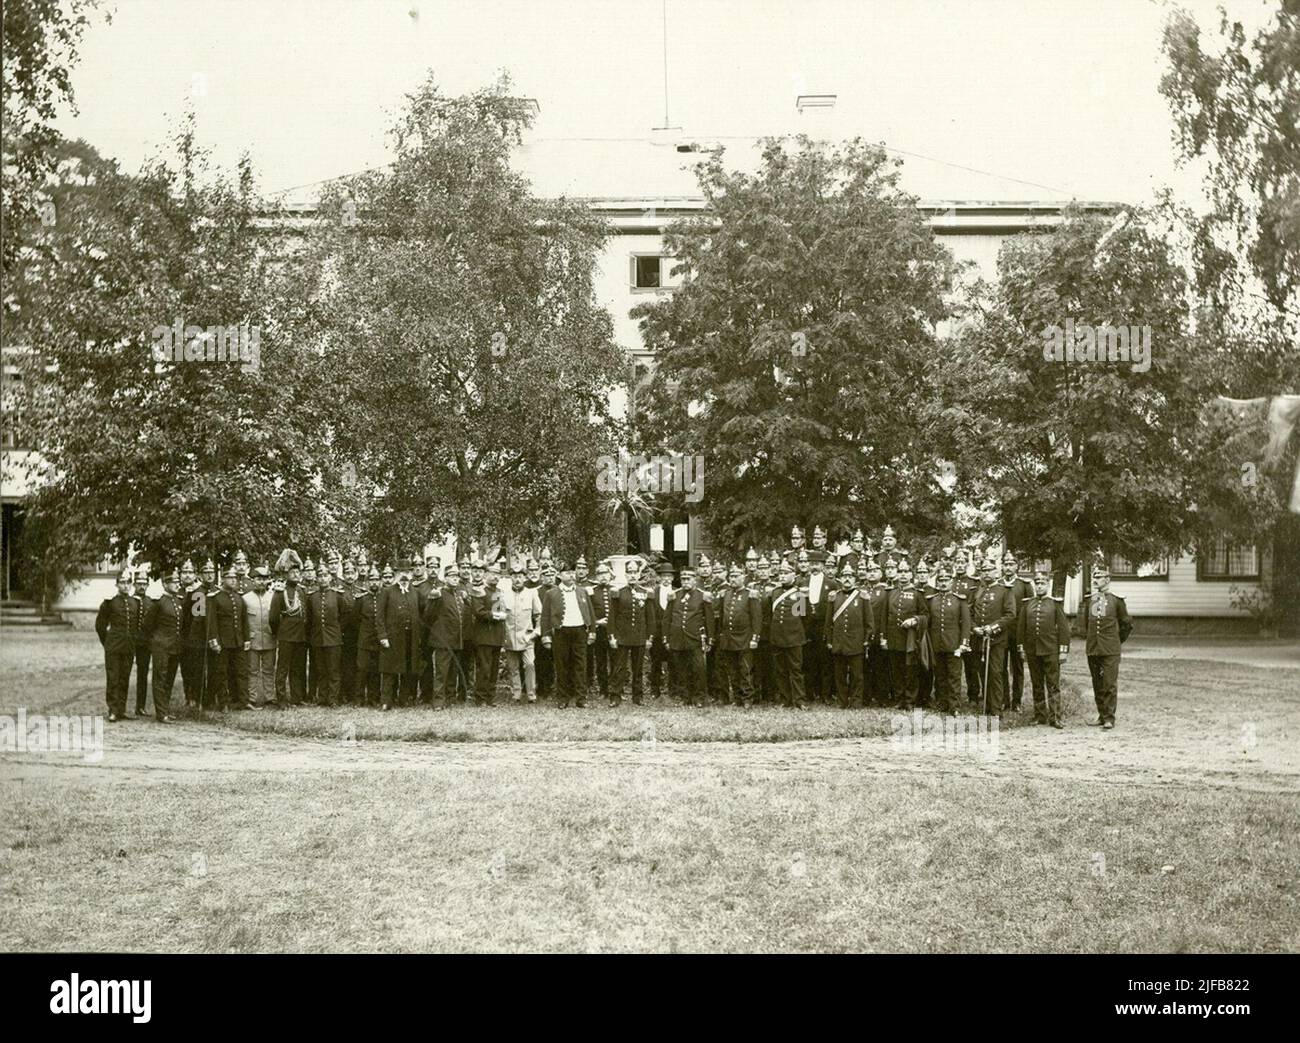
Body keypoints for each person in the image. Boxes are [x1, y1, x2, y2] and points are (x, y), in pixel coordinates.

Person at [1016, 570, 1070, 728]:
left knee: (1053, 684)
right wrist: (1022, 649)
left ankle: (1055, 717)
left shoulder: (1055, 604)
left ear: (1048, 584)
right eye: (1037, 583)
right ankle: (1040, 716)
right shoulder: (1027, 604)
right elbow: (1021, 629)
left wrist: (1063, 651)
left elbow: (1063, 629)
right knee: (1037, 684)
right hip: (1033, 651)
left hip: (1051, 650)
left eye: (1042, 583)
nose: (1039, 586)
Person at [1082, 563, 1131, 730]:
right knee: (1097, 683)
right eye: (1094, 577)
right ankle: (1101, 715)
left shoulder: (1116, 600)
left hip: (1110, 649)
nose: (1095, 580)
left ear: (1107, 579)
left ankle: (1109, 718)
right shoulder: (1090, 600)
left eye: (1099, 577)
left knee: (1109, 683)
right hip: (1093, 648)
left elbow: (1126, 624)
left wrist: (1116, 641)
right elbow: (1086, 625)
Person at [540, 564, 596, 708]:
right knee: (562, 665)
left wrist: (592, 631)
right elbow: (545, 616)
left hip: (580, 631)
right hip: (561, 632)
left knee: (580, 665)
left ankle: (581, 697)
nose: (571, 575)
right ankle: (563, 698)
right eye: (567, 573)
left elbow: (591, 613)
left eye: (573, 572)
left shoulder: (582, 592)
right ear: (559, 575)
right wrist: (546, 636)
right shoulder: (551, 593)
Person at [970, 557, 1017, 718]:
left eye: (990, 570)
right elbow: (970, 613)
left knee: (996, 672)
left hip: (996, 639)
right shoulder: (977, 591)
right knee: (982, 672)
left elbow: (1010, 615)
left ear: (996, 572)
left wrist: (993, 627)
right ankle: (987, 706)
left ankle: (997, 709)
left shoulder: (1005, 591)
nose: (987, 573)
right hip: (980, 638)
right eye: (984, 570)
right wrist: (974, 628)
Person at [377, 558, 424, 710]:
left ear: (411, 573)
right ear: (396, 573)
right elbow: (379, 617)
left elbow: (424, 613)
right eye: (401, 572)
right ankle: (386, 701)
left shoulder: (415, 592)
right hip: (392, 637)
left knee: (407, 669)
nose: (404, 575)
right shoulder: (387, 591)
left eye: (407, 572)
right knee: (389, 670)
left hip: (410, 638)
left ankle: (404, 698)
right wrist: (383, 636)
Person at [882, 558, 929, 709]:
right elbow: (884, 617)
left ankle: (910, 700)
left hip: (910, 640)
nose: (903, 575)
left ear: (911, 574)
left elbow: (926, 615)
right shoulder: (890, 593)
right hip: (893, 638)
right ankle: (899, 699)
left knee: (910, 671)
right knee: (896, 671)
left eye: (906, 572)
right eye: (900, 571)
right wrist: (883, 637)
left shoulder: (917, 594)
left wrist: (914, 621)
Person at [825, 563, 873, 708]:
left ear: (855, 580)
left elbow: (869, 621)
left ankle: (856, 701)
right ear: (840, 579)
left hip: (856, 642)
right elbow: (828, 622)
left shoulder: (862, 597)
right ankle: (842, 701)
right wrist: (829, 640)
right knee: (839, 675)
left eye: (850, 577)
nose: (847, 579)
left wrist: (866, 640)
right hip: (839, 641)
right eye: (845, 576)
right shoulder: (834, 597)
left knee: (856, 675)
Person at [925, 565, 972, 714]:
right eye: (940, 580)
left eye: (946, 580)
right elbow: (929, 623)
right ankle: (942, 703)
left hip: (954, 645)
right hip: (936, 644)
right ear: (937, 582)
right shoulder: (932, 600)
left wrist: (964, 643)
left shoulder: (959, 600)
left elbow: (966, 623)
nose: (943, 583)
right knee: (940, 676)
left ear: (951, 582)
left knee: (954, 676)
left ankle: (955, 706)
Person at [95, 570, 140, 722]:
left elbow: (136, 626)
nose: (125, 586)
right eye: (122, 583)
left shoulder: (135, 602)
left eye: (128, 583)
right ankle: (113, 710)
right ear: (117, 584)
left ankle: (121, 709)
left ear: (131, 585)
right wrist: (107, 643)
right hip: (113, 646)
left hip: (128, 646)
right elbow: (100, 625)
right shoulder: (109, 603)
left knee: (124, 678)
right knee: (113, 678)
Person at [713, 563, 761, 707]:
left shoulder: (750, 595)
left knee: (745, 670)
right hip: (729, 638)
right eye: (731, 576)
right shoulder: (725, 594)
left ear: (743, 577)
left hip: (745, 638)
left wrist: (755, 638)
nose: (733, 579)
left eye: (736, 576)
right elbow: (721, 617)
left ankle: (748, 698)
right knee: (732, 670)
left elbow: (756, 618)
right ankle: (738, 698)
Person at [609, 557, 655, 705]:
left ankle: (638, 697)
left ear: (639, 574)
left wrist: (650, 638)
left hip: (639, 637)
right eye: (629, 572)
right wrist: (612, 637)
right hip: (622, 637)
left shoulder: (646, 593)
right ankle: (615, 696)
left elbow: (650, 618)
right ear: (625, 574)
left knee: (638, 668)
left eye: (635, 572)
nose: (632, 575)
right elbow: (612, 617)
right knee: (619, 668)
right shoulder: (619, 593)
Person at [665, 565, 712, 707]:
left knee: (698, 669)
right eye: (683, 579)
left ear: (695, 580)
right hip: (677, 639)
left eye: (688, 579)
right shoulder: (674, 595)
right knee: (680, 669)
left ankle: (699, 698)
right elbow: (667, 618)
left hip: (695, 639)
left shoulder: (703, 596)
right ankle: (685, 696)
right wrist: (666, 638)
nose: (685, 582)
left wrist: (710, 639)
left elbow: (709, 619)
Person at [142, 567, 184, 723]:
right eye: (173, 582)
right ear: (165, 584)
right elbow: (147, 625)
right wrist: (156, 641)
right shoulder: (158, 603)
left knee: (169, 678)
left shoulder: (178, 601)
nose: (177, 584)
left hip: (174, 646)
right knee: (160, 678)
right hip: (161, 646)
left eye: (177, 582)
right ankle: (161, 713)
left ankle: (165, 709)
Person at [206, 566, 251, 711]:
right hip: (223, 643)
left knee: (241, 671)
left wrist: (246, 639)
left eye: (235, 578)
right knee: (222, 673)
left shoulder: (239, 597)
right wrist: (214, 641)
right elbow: (211, 622)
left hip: (238, 641)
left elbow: (244, 620)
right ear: (223, 579)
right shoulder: (215, 598)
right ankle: (223, 703)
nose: (233, 580)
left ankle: (243, 701)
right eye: (229, 578)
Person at [425, 562, 469, 708]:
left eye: (457, 576)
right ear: (445, 578)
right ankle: (438, 701)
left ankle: (450, 699)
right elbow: (428, 615)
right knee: (441, 673)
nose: (455, 578)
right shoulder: (439, 593)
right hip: (443, 641)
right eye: (452, 576)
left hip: (456, 640)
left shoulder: (459, 595)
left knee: (452, 672)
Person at [766, 560, 806, 709]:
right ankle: (785, 700)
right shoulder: (775, 592)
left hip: (794, 637)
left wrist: (797, 634)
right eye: (780, 573)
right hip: (777, 636)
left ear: (793, 576)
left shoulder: (799, 594)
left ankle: (799, 700)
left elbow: (802, 617)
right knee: (781, 670)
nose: (782, 576)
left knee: (796, 670)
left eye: (785, 573)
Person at [306, 564, 347, 707]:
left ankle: (333, 698)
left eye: (325, 575)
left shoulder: (337, 596)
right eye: (320, 576)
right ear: (317, 578)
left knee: (334, 670)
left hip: (334, 639)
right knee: (321, 670)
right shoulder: (312, 597)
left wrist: (336, 631)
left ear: (330, 577)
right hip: (317, 638)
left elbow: (343, 616)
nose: (322, 579)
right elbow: (310, 619)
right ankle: (322, 698)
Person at [500, 564, 542, 703]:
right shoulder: (503, 595)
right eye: (514, 576)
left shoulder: (531, 593)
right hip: (510, 637)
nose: (517, 579)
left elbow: (539, 615)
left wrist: (536, 632)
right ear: (510, 577)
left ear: (524, 577)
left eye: (520, 576)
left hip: (527, 636)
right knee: (513, 667)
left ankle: (531, 694)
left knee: (530, 664)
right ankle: (516, 694)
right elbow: (499, 615)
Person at [270, 557, 308, 707]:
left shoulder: (301, 590)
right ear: (286, 574)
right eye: (292, 572)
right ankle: (281, 699)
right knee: (282, 669)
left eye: (298, 571)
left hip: (300, 636)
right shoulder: (280, 592)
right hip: (286, 636)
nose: (296, 574)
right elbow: (273, 618)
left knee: (297, 668)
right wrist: (278, 633)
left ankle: (296, 698)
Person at [472, 563, 508, 705]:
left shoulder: (499, 591)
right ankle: (480, 698)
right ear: (486, 575)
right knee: (484, 668)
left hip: (497, 636)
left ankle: (490, 697)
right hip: (484, 636)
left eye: (497, 574)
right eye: (492, 574)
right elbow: (478, 611)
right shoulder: (479, 591)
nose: (495, 577)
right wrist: (496, 616)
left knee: (494, 669)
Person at [1002, 552, 1032, 711]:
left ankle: (1017, 702)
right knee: (1001, 668)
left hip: (1019, 633)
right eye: (1005, 564)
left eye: (1011, 564)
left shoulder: (1024, 585)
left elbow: (1031, 610)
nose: (1008, 567)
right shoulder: (998, 584)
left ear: (1017, 566)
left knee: (1017, 668)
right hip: (1001, 633)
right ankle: (1004, 700)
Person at [243, 566, 277, 707]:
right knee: (252, 670)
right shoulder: (245, 598)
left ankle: (270, 697)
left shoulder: (273, 597)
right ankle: (251, 697)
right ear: (253, 581)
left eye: (264, 579)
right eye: (258, 579)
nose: (261, 582)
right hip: (252, 640)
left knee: (269, 669)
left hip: (269, 638)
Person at [178, 558, 207, 710]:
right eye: (185, 572)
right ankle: (188, 697)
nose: (187, 575)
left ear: (195, 574)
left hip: (195, 639)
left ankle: (197, 699)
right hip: (181, 638)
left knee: (196, 669)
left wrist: (190, 639)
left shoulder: (199, 592)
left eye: (190, 572)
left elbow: (198, 617)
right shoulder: (179, 592)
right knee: (185, 669)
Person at [355, 565, 384, 706]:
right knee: (361, 670)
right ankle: (359, 699)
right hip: (364, 640)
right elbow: (355, 620)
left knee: (376, 670)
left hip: (378, 640)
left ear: (380, 582)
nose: (374, 582)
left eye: (376, 579)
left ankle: (374, 698)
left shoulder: (384, 598)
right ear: (367, 582)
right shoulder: (361, 600)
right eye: (371, 579)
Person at [586, 560, 614, 702]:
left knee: (616, 662)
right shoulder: (591, 592)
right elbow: (588, 613)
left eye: (606, 573)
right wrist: (597, 622)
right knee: (601, 662)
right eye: (600, 574)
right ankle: (603, 690)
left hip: (614, 633)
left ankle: (616, 690)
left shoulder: (616, 590)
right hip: (599, 632)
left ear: (610, 575)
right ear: (596, 576)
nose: (603, 576)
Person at [648, 561, 674, 700]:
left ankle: (673, 689)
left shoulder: (677, 591)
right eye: (663, 575)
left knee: (674, 661)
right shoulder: (653, 593)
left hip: (672, 633)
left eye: (669, 576)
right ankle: (655, 689)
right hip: (657, 633)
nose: (666, 579)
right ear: (659, 577)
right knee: (656, 662)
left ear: (672, 578)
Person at [131, 570, 152, 718]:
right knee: (122, 674)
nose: (142, 586)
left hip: (144, 643)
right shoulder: (129, 601)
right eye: (139, 583)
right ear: (134, 584)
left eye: (144, 584)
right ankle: (119, 707)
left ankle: (140, 706)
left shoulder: (150, 602)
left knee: (142, 674)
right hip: (129, 642)